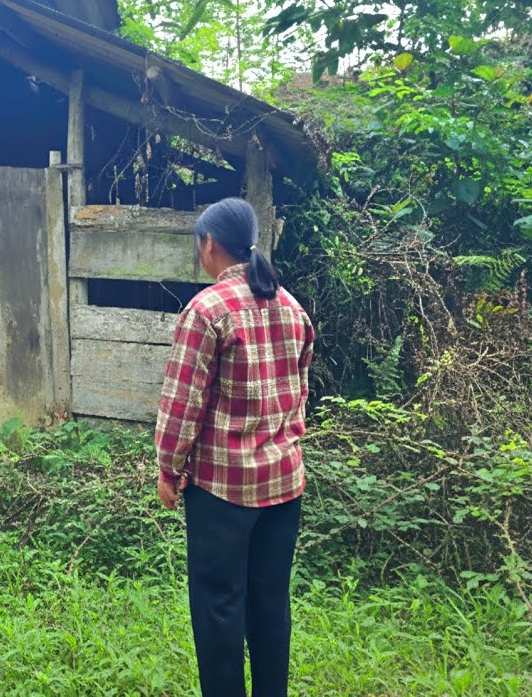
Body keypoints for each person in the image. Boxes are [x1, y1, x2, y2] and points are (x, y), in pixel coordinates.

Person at [154, 198, 314, 697]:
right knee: (270, 603)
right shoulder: (291, 307)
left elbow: (183, 404)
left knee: (219, 607)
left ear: (209, 244)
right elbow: (299, 397)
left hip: (223, 491)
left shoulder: (206, 311)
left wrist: (167, 468)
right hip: (285, 486)